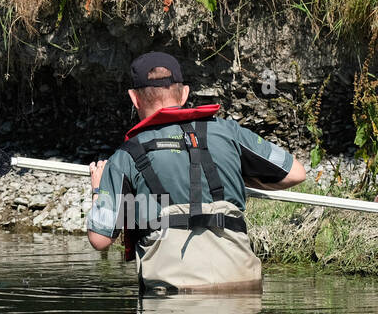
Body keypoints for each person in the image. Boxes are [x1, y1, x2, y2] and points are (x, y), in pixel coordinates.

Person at [86, 52, 306, 293]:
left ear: (134, 99)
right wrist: (236, 172)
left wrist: (98, 189)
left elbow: (100, 239)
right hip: (240, 287)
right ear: (185, 94)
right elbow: (295, 173)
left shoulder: (125, 157)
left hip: (173, 299)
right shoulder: (229, 132)